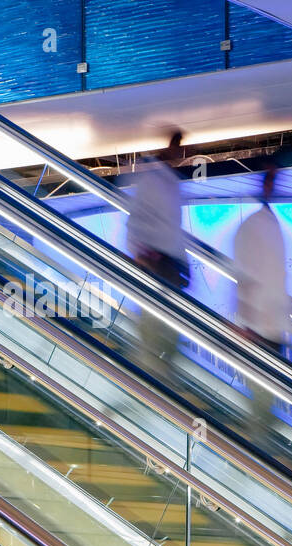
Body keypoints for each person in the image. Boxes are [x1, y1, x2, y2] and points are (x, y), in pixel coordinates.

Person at [231, 160, 292, 438]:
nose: (274, 186)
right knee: (261, 398)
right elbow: (243, 277)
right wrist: (245, 321)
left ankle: (260, 443)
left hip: (272, 327)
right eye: (271, 180)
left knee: (267, 397)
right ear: (263, 185)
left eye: (276, 180)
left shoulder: (271, 225)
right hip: (258, 328)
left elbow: (275, 280)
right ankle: (256, 449)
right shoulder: (254, 226)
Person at [125, 129, 188, 374]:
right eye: (177, 148)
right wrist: (138, 253)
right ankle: (151, 366)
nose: (179, 154)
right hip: (154, 261)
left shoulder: (170, 182)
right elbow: (137, 218)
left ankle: (162, 365)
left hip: (167, 262)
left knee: (167, 317)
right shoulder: (152, 179)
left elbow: (173, 229)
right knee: (154, 315)